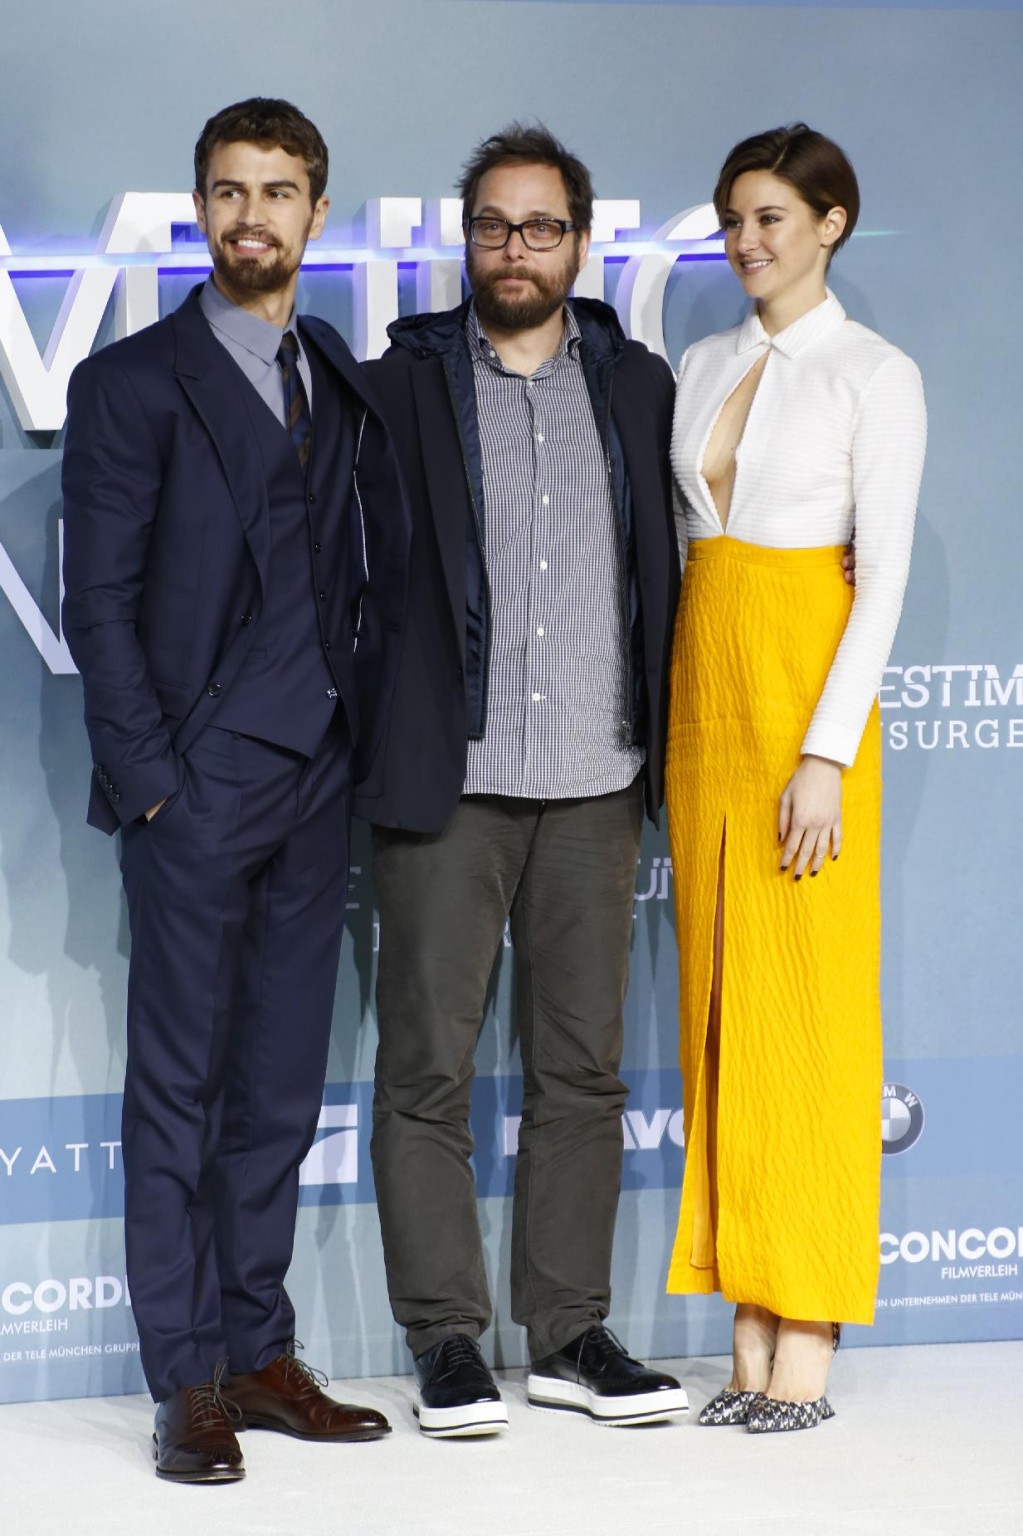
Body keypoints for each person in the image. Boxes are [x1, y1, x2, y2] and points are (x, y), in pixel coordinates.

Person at [61, 97, 409, 1482]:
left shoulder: (332, 365)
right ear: (197, 210)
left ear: (318, 214)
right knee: (180, 1093)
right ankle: (189, 1376)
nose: (251, 215)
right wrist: (154, 785)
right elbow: (103, 604)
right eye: (227, 191)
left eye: (278, 191)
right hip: (197, 792)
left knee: (276, 1091)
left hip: (316, 782)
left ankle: (261, 1351)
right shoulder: (132, 384)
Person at [356, 123, 688, 1437]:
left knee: (581, 1074)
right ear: (465, 238)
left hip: (597, 777)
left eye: (540, 227)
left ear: (579, 241)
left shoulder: (639, 384)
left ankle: (569, 1335)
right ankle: (446, 1340)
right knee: (425, 1070)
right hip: (452, 778)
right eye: (493, 225)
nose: (515, 248)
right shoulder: (404, 386)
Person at [665, 123, 926, 1432]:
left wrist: (826, 751)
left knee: (809, 1019)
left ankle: (806, 1325)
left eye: (772, 217)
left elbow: (880, 581)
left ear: (831, 223)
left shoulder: (875, 374)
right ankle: (746, 1321)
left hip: (802, 696)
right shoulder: (704, 361)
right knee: (723, 1015)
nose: (747, 242)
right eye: (733, 220)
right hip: (705, 694)